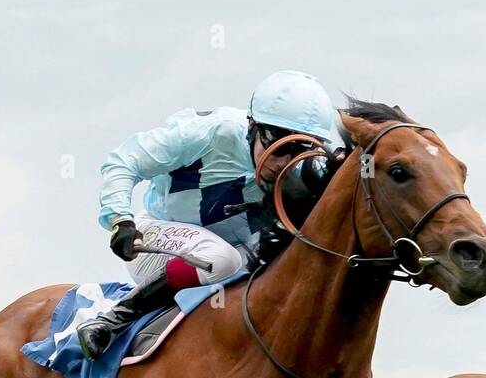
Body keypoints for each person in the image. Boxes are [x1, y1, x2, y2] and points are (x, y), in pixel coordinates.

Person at [77, 70, 343, 360]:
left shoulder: (309, 166)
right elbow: (124, 160)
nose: (284, 163)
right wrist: (120, 219)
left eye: (301, 149)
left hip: (237, 252)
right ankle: (114, 320)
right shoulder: (212, 132)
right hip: (158, 236)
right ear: (252, 126)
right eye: (279, 144)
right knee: (221, 259)